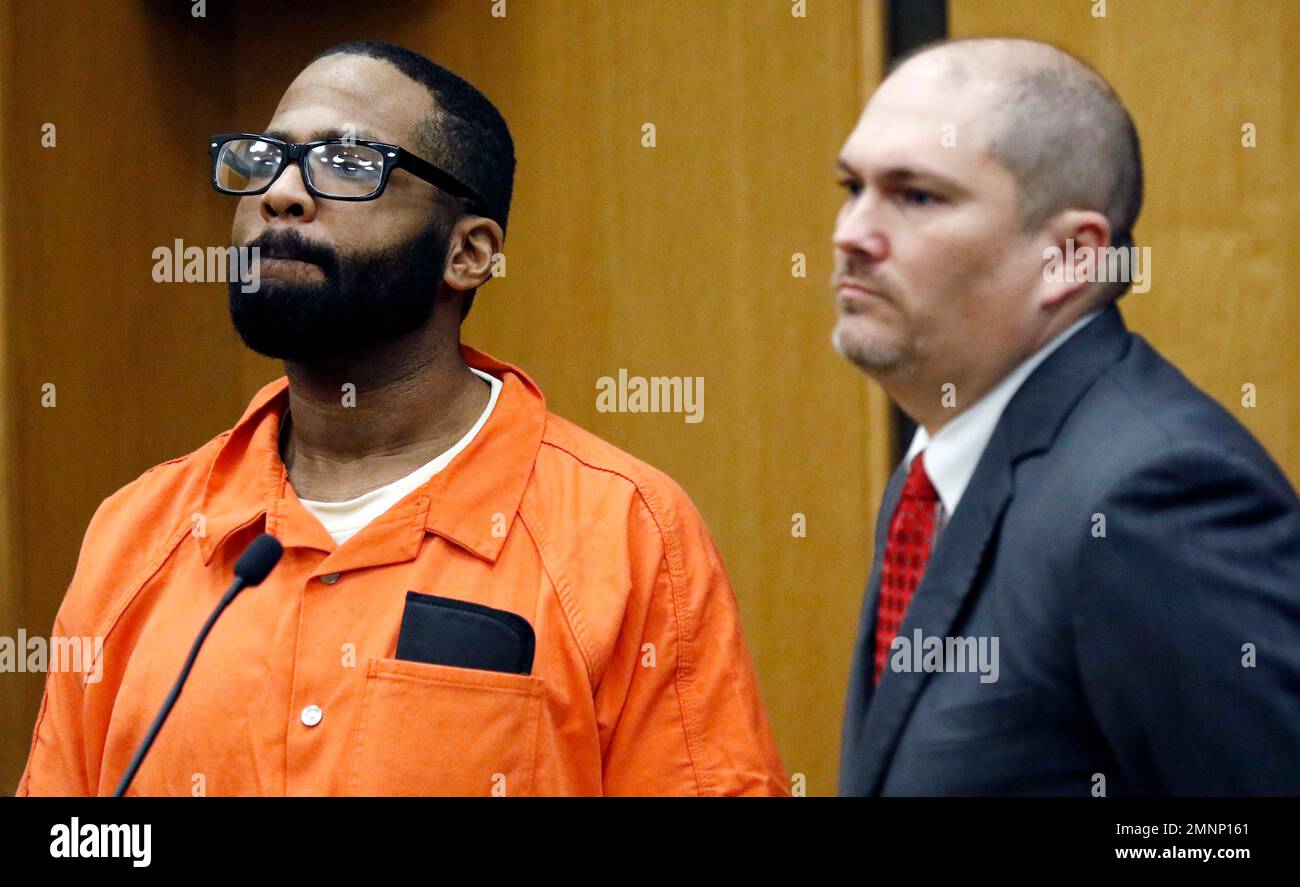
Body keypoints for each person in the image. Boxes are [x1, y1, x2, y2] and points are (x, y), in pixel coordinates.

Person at [19, 41, 787, 797]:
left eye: (347, 163)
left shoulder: (625, 533)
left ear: (470, 253)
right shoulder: (137, 534)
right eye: (264, 159)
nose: (281, 193)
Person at [833, 38, 1300, 795]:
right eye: (852, 186)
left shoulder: (1153, 494)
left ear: (1071, 258)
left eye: (915, 195)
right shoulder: (938, 472)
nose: (851, 232)